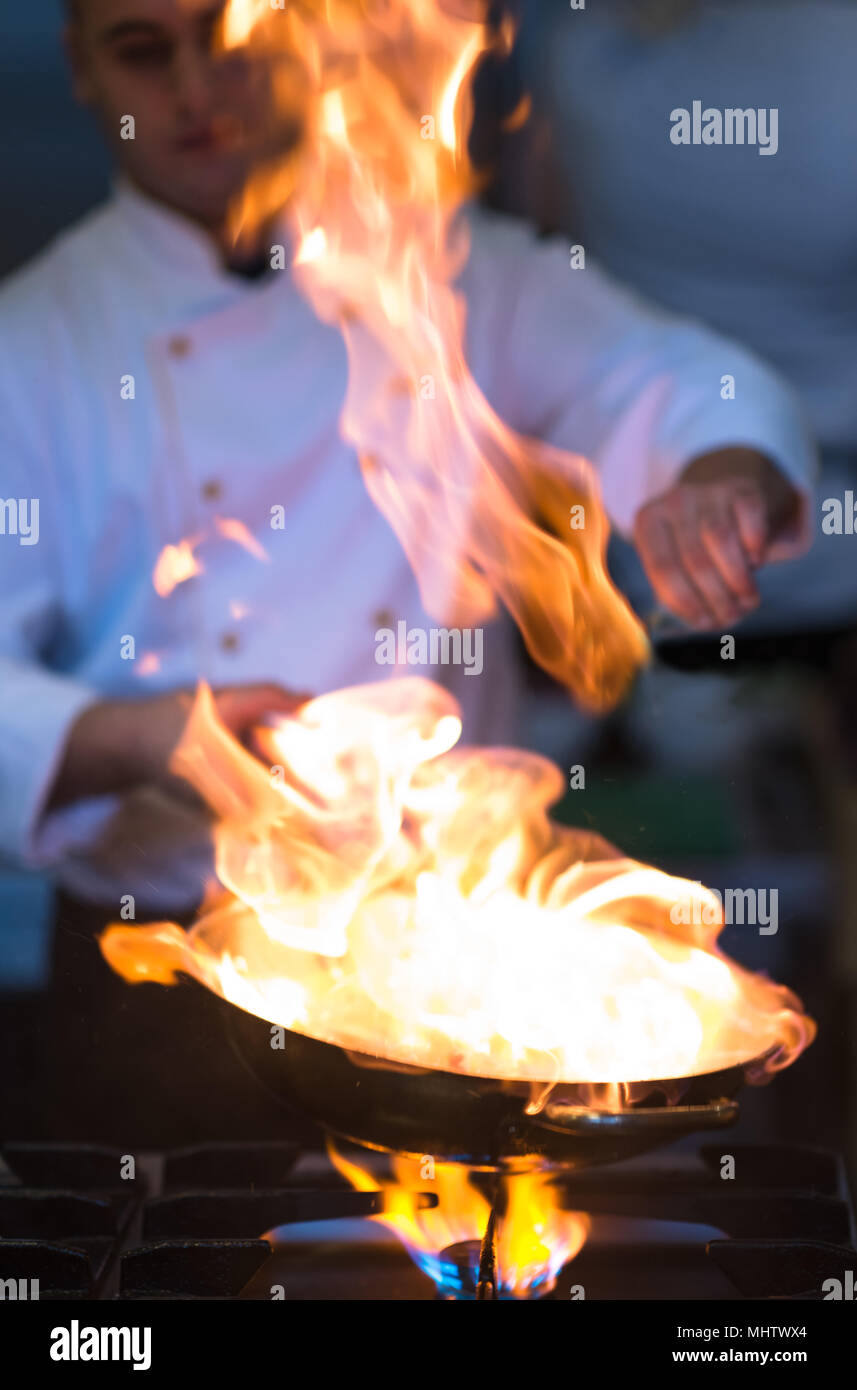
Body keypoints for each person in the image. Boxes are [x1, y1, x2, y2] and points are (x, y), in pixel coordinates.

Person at [0, 0, 816, 1141]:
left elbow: (678, 381)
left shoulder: (444, 274)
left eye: (225, 43)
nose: (193, 87)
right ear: (83, 71)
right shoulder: (29, 343)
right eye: (143, 49)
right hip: (157, 969)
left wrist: (718, 480)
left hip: (450, 964)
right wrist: (158, 736)